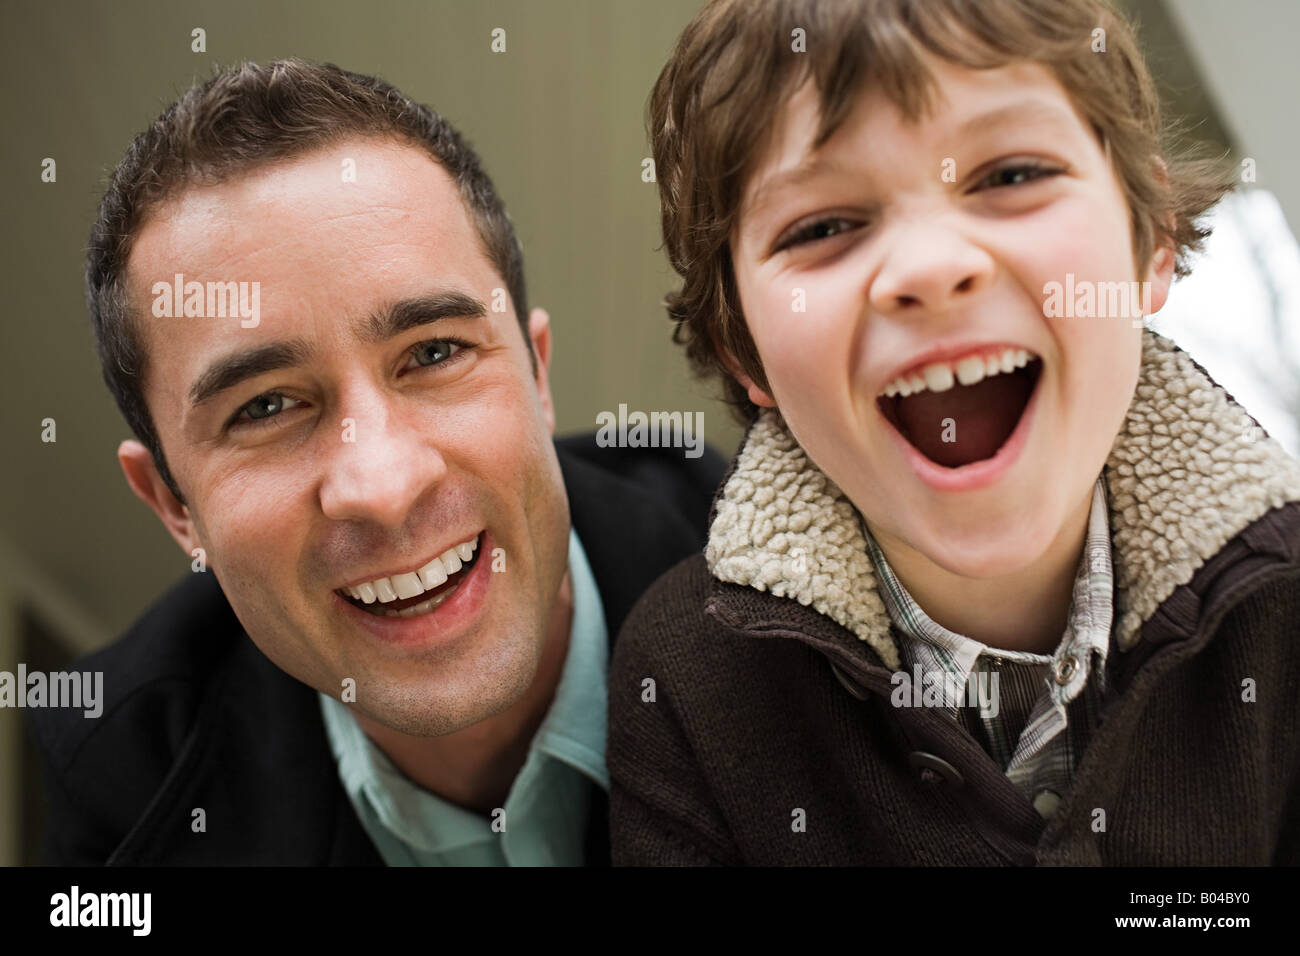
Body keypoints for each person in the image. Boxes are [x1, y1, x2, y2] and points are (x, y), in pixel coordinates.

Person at [608, 0, 1300, 864]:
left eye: (1009, 176)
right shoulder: (688, 684)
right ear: (745, 351)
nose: (932, 270)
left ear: (1151, 240)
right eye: (822, 227)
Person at [28, 58, 723, 866]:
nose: (385, 489)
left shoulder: (815, 616)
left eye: (433, 352)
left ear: (537, 377)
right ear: (175, 506)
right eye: (264, 407)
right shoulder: (123, 784)